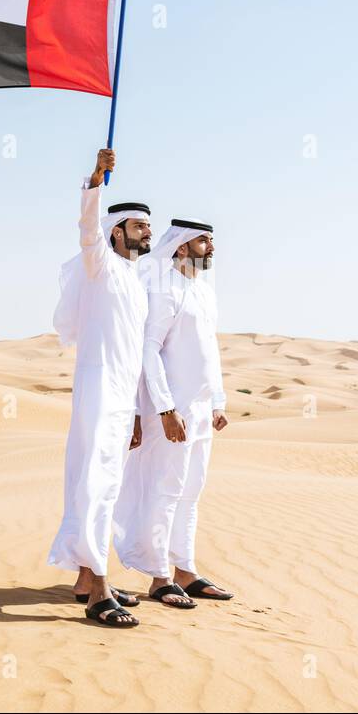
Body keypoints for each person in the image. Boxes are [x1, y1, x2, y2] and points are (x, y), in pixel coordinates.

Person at [47, 148, 152, 627]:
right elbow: (87, 230)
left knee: (105, 483)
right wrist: (94, 181)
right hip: (97, 389)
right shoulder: (101, 264)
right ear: (117, 231)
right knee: (94, 482)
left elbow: (131, 352)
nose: (148, 232)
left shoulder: (133, 280)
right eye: (139, 226)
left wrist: (133, 411)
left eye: (149, 227)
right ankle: (98, 594)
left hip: (119, 395)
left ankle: (87, 578)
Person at [113, 218, 234, 608]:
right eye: (203, 241)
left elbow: (208, 351)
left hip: (200, 412)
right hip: (171, 411)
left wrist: (218, 402)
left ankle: (186, 570)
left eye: (211, 241)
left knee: (191, 491)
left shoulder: (203, 291)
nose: (210, 247)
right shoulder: (163, 288)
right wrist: (165, 407)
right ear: (180, 246)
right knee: (166, 490)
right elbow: (149, 349)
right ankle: (159, 575)